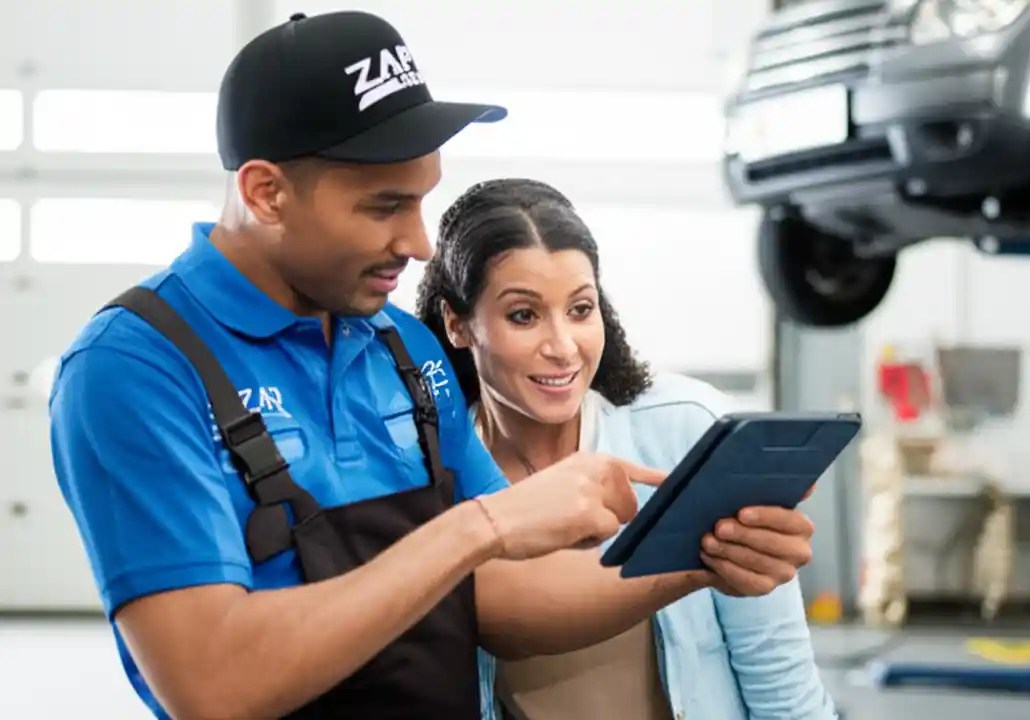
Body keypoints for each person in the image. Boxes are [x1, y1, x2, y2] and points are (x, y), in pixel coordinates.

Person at [46, 11, 819, 720]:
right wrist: (480, 527)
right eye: (385, 206)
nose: (419, 244)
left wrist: (700, 558)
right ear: (266, 193)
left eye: (424, 200)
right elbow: (212, 681)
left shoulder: (404, 354)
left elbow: (499, 602)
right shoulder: (136, 370)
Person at [415, 177, 839, 720]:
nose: (562, 347)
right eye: (523, 315)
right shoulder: (431, 471)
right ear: (457, 323)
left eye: (580, 309)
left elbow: (784, 686)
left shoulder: (688, 433)